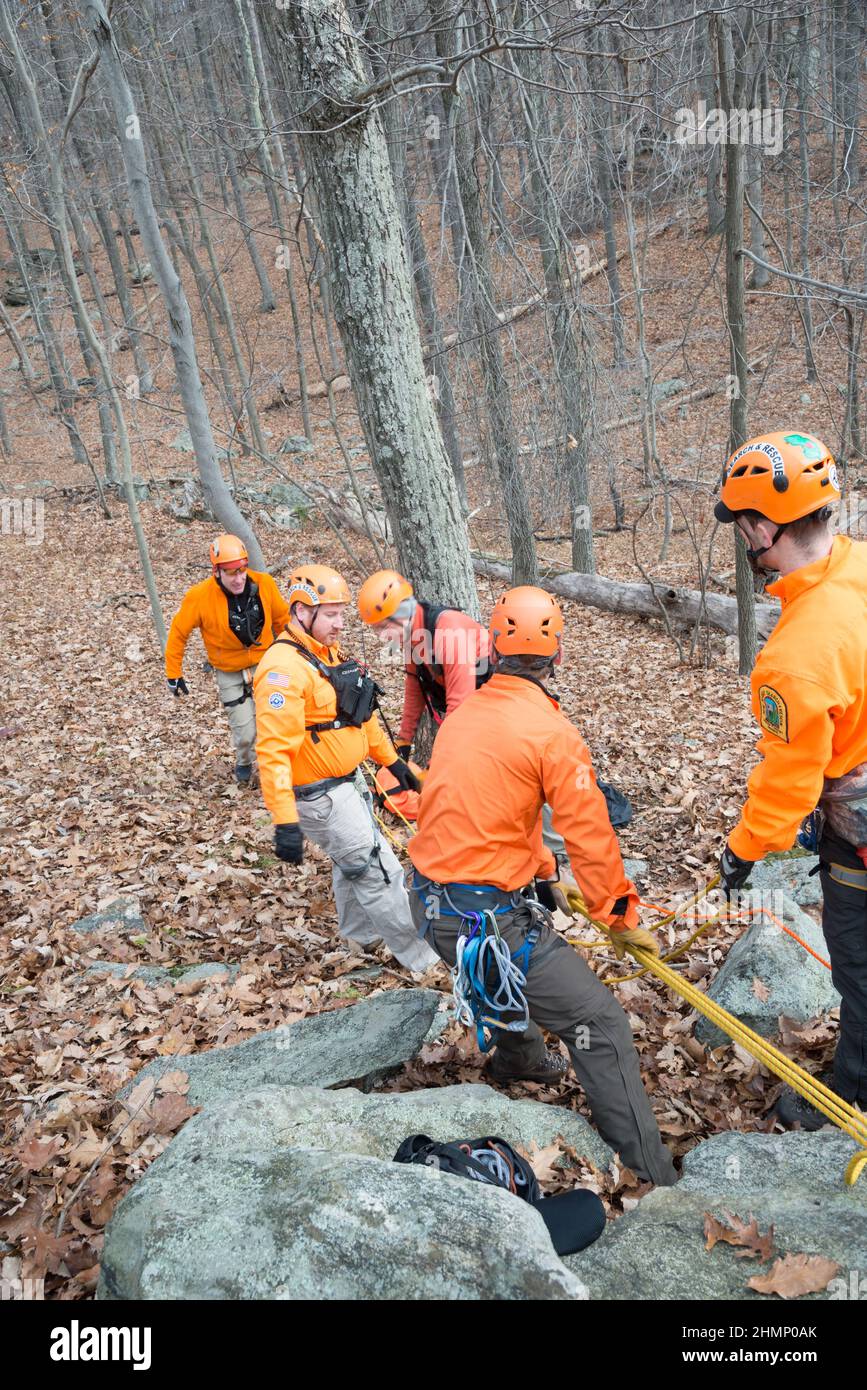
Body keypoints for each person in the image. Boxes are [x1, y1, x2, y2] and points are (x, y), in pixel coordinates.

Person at [406, 585, 678, 1186]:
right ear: (557, 656)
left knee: (512, 962)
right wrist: (623, 919)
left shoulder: (462, 715)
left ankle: (520, 1057)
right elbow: (592, 836)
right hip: (483, 919)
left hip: (430, 901)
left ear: (494, 650)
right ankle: (652, 1173)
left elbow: (499, 808)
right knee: (599, 1023)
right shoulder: (552, 734)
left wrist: (545, 875)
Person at [715, 430, 867, 1126]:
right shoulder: (858, 568)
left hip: (858, 842)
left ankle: (851, 1096)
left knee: (859, 975)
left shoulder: (794, 657)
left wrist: (742, 850)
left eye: (742, 527)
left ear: (760, 527)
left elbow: (788, 782)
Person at [253, 563, 439, 975]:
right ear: (302, 611)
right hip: (321, 796)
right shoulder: (283, 670)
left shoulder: (325, 655)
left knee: (352, 864)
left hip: (349, 787)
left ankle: (360, 937)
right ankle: (425, 959)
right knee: (378, 869)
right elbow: (272, 752)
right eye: (332, 614)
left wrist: (392, 761)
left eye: (341, 613)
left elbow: (359, 715)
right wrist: (285, 821)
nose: (341, 624)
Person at [164, 535, 290, 783]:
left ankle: (276, 767)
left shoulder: (264, 584)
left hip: (265, 664)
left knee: (277, 718)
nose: (239, 578)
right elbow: (179, 633)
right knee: (245, 732)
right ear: (216, 571)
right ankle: (244, 760)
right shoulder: (199, 597)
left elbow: (283, 621)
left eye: (242, 569)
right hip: (228, 670)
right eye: (231, 572)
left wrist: (296, 655)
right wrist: (173, 673)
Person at [357, 569, 490, 761]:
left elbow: (460, 703)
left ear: (401, 613)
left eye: (383, 627)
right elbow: (415, 686)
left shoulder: (448, 632)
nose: (382, 636)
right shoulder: (414, 635)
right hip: (469, 714)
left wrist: (442, 756)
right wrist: (404, 741)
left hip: (491, 708)